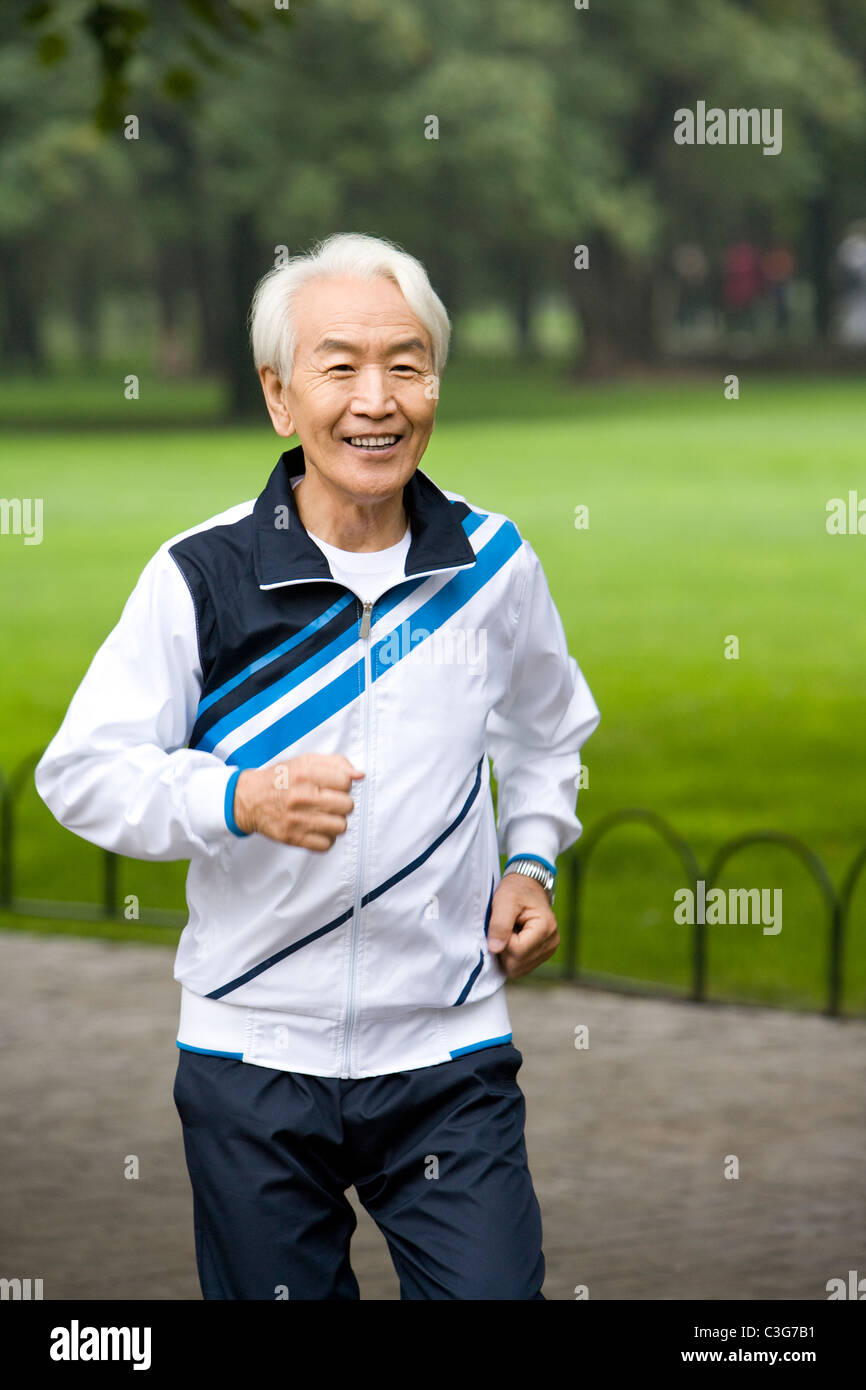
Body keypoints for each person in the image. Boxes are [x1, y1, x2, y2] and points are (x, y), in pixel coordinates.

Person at [34, 232, 600, 1300]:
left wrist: (530, 862)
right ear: (279, 396)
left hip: (446, 1053)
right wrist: (234, 797)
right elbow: (83, 771)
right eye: (338, 367)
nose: (376, 400)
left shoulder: (492, 566)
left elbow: (545, 727)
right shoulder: (199, 574)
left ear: (436, 381)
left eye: (406, 364)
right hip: (252, 1058)